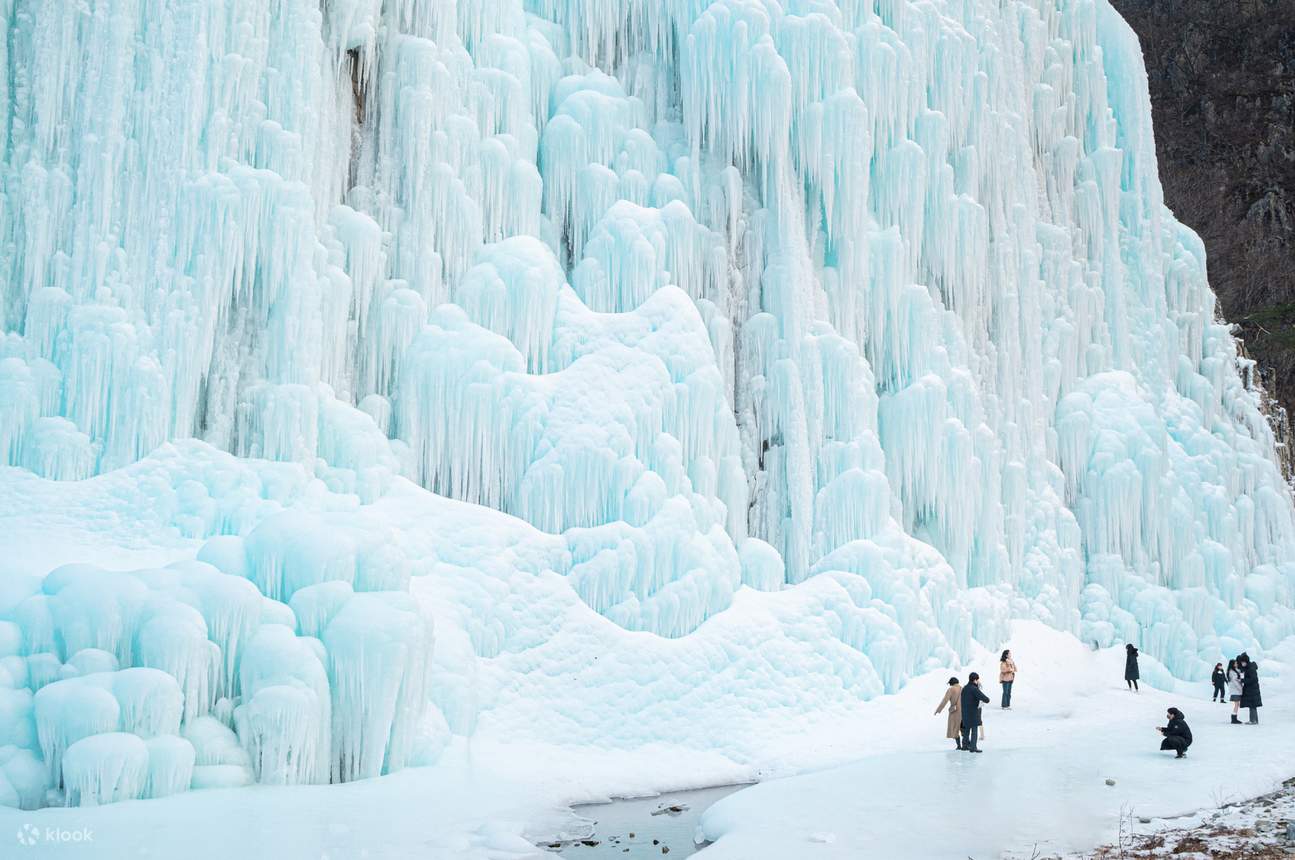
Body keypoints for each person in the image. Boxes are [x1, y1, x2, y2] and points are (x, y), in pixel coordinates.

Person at [960, 672, 990, 753]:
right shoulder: (974, 689)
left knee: (966, 730)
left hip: (965, 712)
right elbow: (986, 699)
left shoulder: (965, 688)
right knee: (974, 730)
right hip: (973, 713)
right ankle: (973, 747)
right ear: (975, 680)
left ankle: (964, 746)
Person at [934, 677, 963, 749]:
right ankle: (966, 745)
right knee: (963, 728)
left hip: (955, 712)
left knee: (954, 729)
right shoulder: (962, 688)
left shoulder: (951, 689)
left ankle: (959, 746)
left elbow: (945, 700)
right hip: (964, 711)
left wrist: (938, 710)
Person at [1239, 653, 1262, 724]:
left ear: (1246, 661)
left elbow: (1254, 679)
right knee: (1252, 705)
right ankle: (1255, 720)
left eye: (1243, 662)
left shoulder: (1251, 668)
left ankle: (1253, 720)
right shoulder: (1249, 667)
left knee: (1252, 705)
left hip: (1252, 690)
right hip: (1251, 689)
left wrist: (1243, 680)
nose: (1242, 664)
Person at [1227, 658, 1245, 724]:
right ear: (1232, 664)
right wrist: (1240, 688)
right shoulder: (1232, 672)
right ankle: (1234, 719)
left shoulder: (1233, 671)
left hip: (1235, 690)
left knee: (1237, 704)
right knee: (1237, 704)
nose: (1237, 664)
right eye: (1235, 663)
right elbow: (1235, 681)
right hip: (1235, 690)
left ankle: (1234, 718)